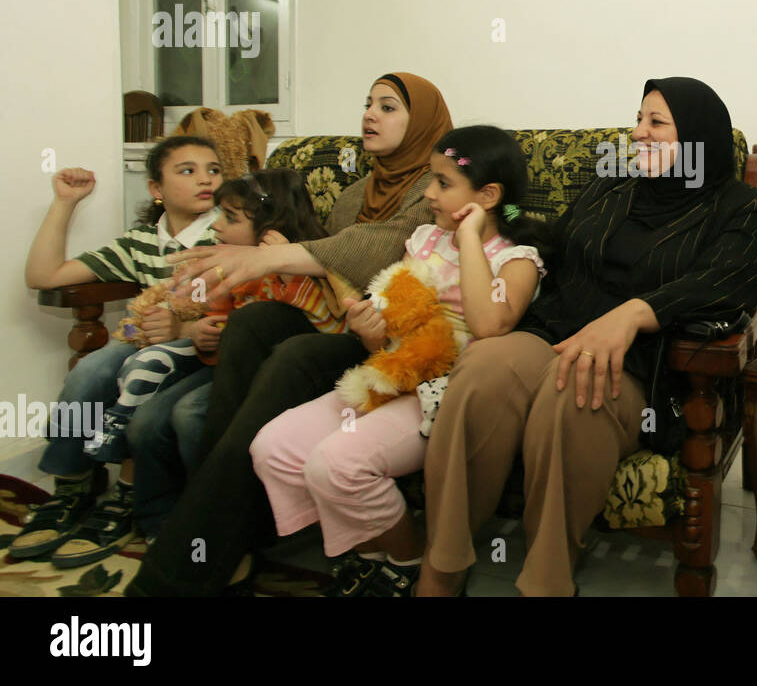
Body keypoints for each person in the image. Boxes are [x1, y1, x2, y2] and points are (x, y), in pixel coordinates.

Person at [417, 77, 757, 597]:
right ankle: (443, 563)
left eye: (656, 122)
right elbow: (550, 236)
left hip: (641, 364)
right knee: (481, 371)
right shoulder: (610, 186)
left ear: (700, 138)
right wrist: (496, 220)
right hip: (553, 333)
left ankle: (546, 579)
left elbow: (730, 281)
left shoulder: (743, 208)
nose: (638, 133)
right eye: (638, 119)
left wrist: (635, 313)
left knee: (573, 393)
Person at [124, 73, 452, 596]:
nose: (370, 114)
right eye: (367, 103)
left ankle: (180, 570)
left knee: (295, 357)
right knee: (254, 323)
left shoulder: (434, 192)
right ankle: (225, 526)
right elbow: (328, 269)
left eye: (388, 107)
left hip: (392, 345)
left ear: (425, 124)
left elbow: (378, 247)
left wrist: (264, 255)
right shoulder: (351, 194)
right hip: (346, 325)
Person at [251, 126, 548, 596]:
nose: (428, 194)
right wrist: (371, 332)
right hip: (389, 376)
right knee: (274, 448)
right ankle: (374, 551)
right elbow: (393, 328)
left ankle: (407, 562)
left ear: (488, 195)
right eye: (431, 179)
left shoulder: (517, 259)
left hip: (444, 399)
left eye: (443, 184)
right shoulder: (424, 239)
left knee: (335, 464)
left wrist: (470, 235)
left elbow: (490, 325)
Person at [15, 136, 222, 562]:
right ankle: (73, 487)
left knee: (138, 380)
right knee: (89, 371)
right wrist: (65, 203)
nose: (206, 179)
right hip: (145, 343)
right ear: (156, 189)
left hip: (201, 352)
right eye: (188, 170)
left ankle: (128, 496)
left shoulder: (228, 234)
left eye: (214, 170)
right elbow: (42, 274)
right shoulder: (142, 241)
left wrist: (184, 325)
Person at [116, 168, 346, 543]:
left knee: (189, 415)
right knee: (145, 422)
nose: (218, 225)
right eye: (219, 214)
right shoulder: (230, 265)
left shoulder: (302, 268)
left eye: (231, 218)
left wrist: (282, 267)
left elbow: (329, 326)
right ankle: (159, 519)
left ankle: (212, 519)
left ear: (271, 227)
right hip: (222, 367)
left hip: (269, 379)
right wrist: (199, 332)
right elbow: (208, 309)